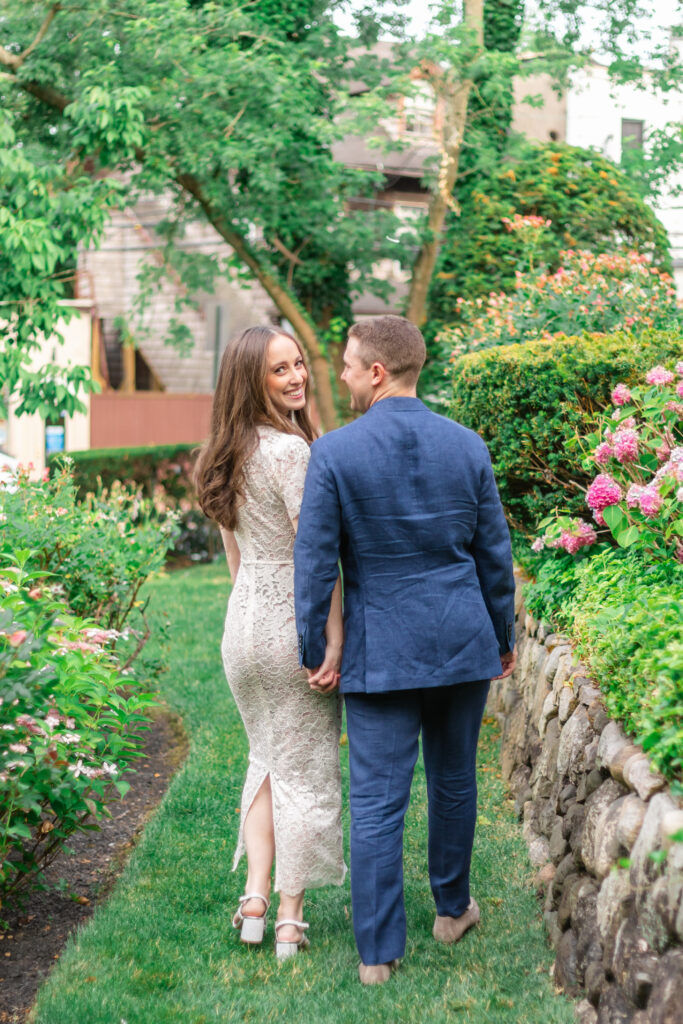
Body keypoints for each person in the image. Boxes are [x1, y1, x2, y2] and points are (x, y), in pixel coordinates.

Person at [294, 314, 517, 984]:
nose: (337, 375)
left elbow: (314, 567)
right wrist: (500, 638)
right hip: (459, 640)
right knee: (453, 782)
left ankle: (377, 955)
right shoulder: (467, 446)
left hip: (379, 647)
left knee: (378, 799)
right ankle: (451, 912)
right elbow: (493, 558)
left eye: (345, 363)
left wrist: (313, 647)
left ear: (376, 372)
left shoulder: (334, 453)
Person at [195, 325, 345, 960]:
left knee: (267, 762)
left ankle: (253, 896)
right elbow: (317, 555)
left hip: (244, 625)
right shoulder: (291, 454)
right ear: (251, 381)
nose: (297, 377)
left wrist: (249, 613)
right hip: (292, 623)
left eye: (299, 364)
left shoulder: (223, 454)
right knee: (306, 769)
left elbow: (235, 556)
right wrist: (331, 639)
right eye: (279, 370)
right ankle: (289, 915)